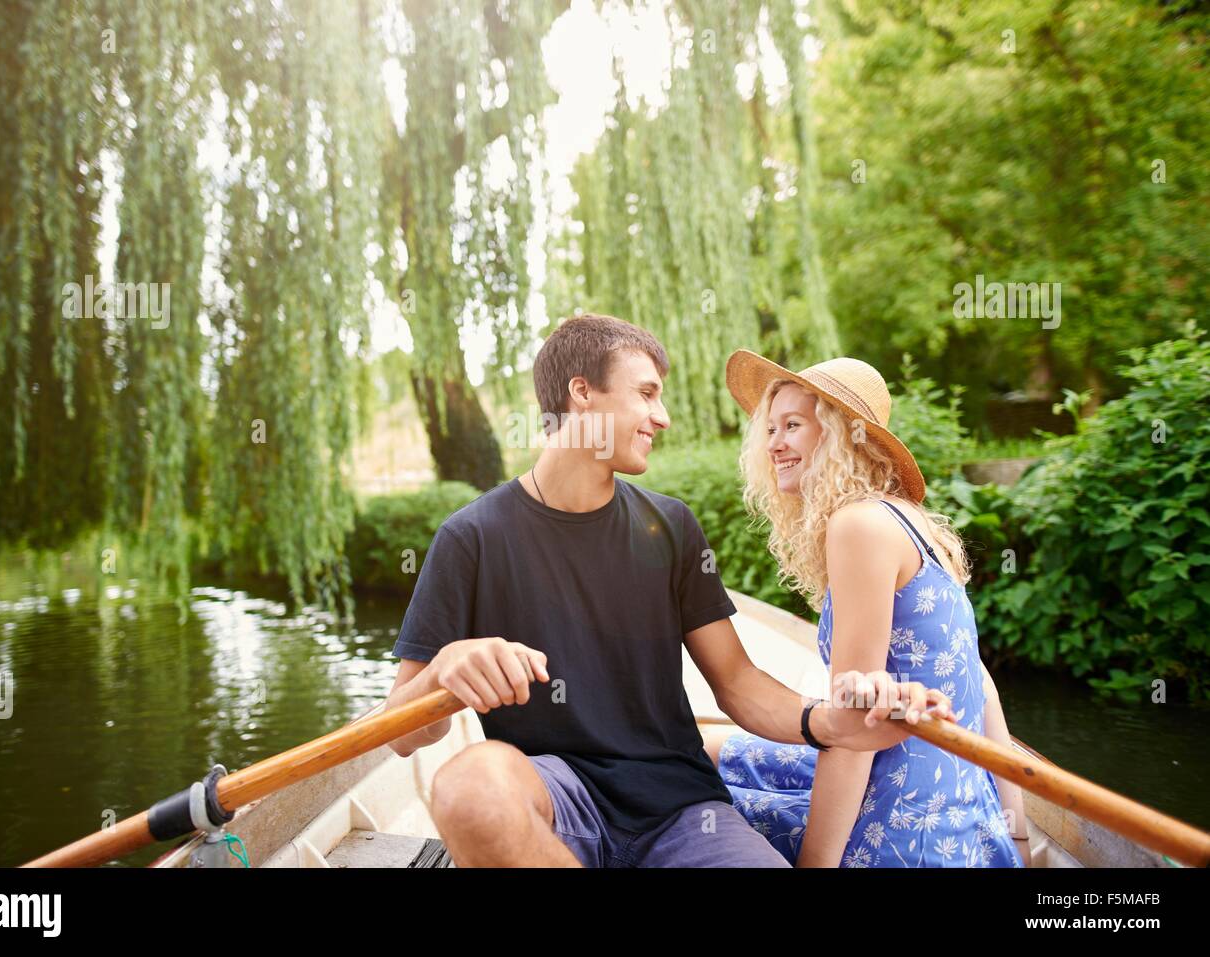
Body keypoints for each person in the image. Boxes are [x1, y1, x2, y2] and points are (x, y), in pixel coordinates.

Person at [379, 314, 955, 868]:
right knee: (469, 788)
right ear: (582, 392)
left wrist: (826, 723)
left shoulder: (671, 527)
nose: (664, 417)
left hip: (682, 810)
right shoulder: (470, 537)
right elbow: (405, 734)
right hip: (557, 801)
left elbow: (737, 683)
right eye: (647, 393)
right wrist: (443, 670)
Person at [700, 350, 1027, 868]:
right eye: (771, 426)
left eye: (793, 426)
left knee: (683, 803)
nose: (773, 444)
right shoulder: (911, 522)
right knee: (710, 746)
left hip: (903, 831)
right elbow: (980, 682)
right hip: (970, 819)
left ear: (838, 435)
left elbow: (852, 732)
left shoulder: (858, 527)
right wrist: (1018, 838)